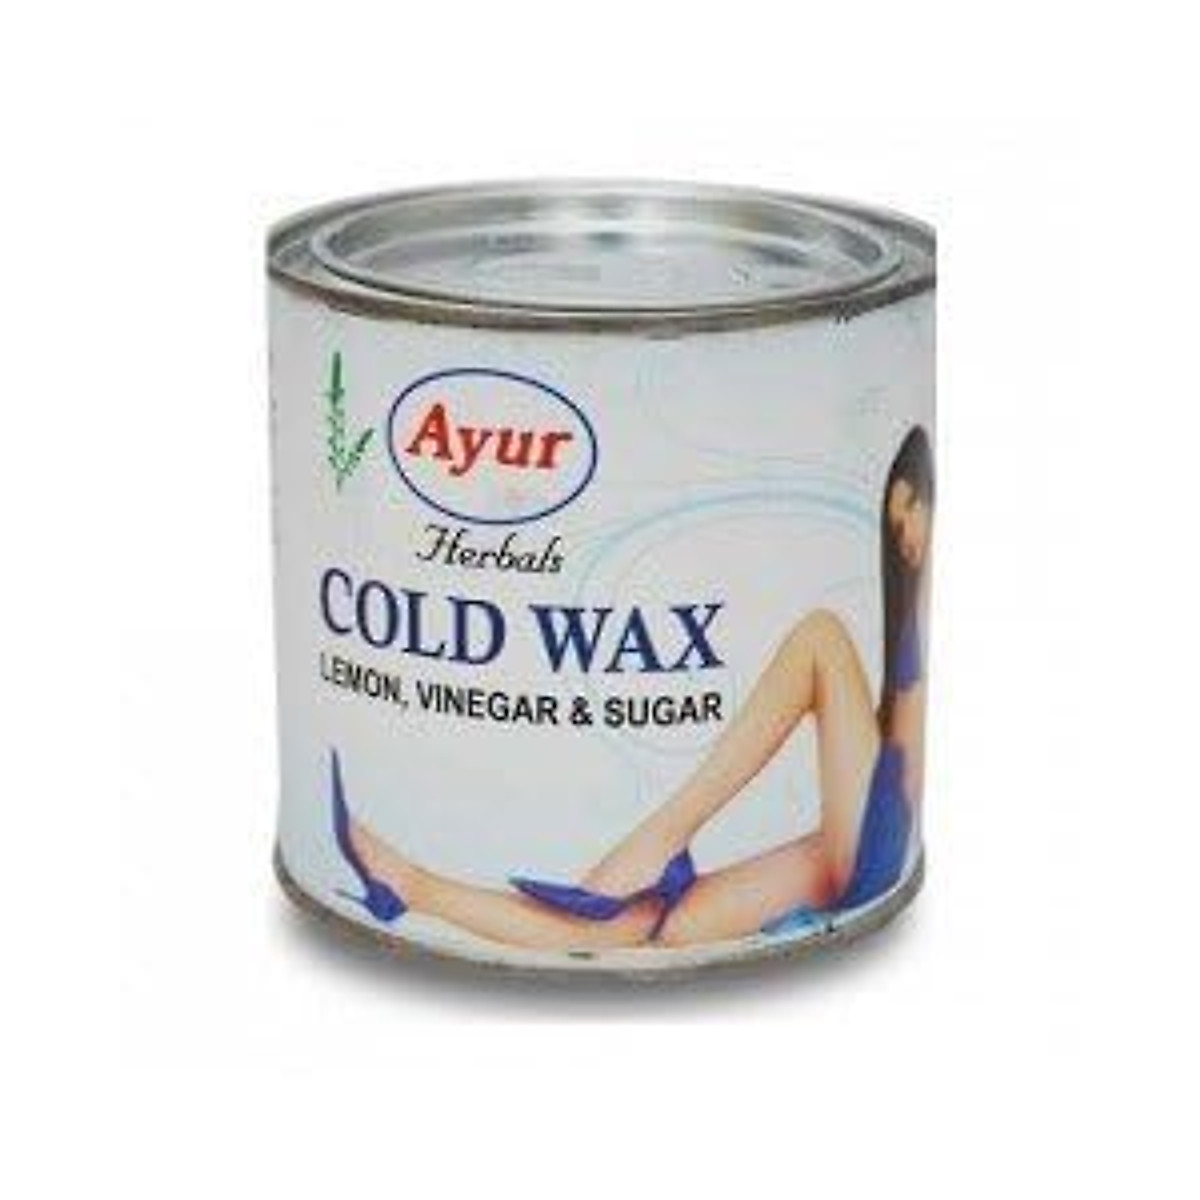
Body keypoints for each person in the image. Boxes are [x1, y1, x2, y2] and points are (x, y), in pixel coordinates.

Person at [332, 426, 934, 950]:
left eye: (914, 509)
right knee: (641, 927)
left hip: (880, 838)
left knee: (821, 636)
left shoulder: (917, 614)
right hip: (851, 844)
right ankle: (412, 887)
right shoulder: (904, 614)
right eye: (897, 515)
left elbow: (899, 769)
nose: (906, 529)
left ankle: (663, 835)